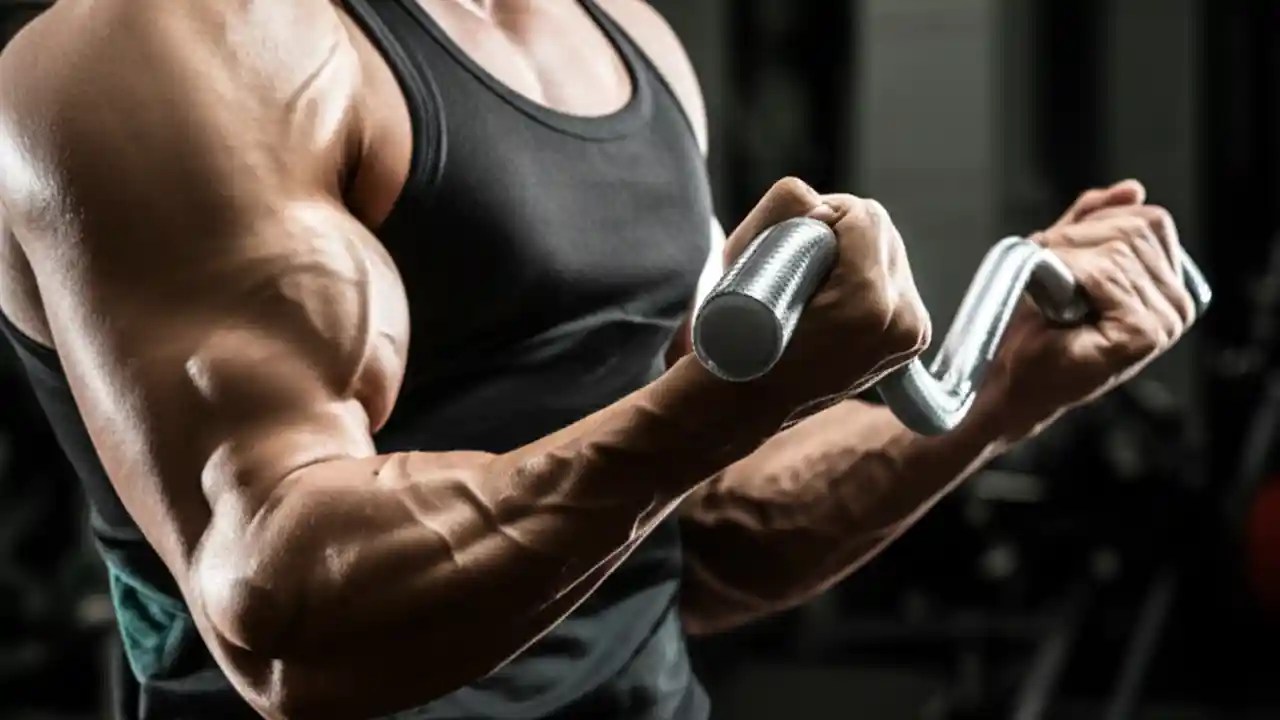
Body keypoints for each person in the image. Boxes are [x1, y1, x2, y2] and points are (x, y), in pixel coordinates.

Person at [0, 0, 1199, 718]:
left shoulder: (625, 41)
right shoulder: (162, 51)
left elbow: (686, 545)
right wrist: (728, 403)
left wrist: (1002, 386)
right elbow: (290, 629)